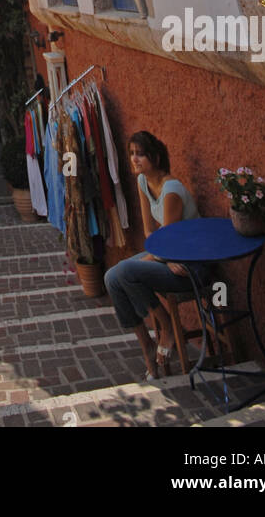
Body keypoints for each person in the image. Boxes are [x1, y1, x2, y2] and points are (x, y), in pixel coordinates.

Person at [103, 130, 209, 379]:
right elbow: (150, 232)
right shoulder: (143, 181)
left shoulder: (172, 190)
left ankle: (167, 326)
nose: (134, 159)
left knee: (126, 271)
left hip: (190, 265)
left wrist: (163, 257)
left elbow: (169, 240)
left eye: (140, 154)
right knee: (111, 278)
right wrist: (161, 257)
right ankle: (147, 346)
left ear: (155, 157)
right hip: (168, 258)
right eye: (132, 153)